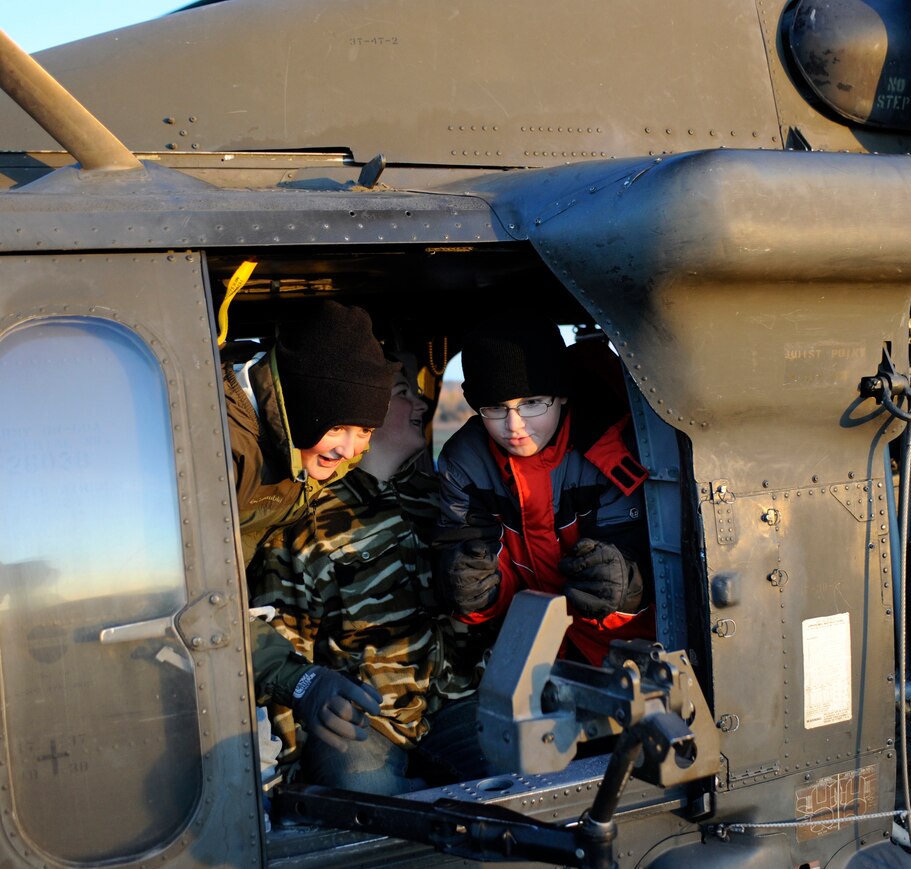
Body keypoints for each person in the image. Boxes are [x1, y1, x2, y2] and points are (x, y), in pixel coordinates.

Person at [248, 355, 485, 793]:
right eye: (403, 393)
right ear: (368, 410)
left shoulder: (436, 499)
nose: (422, 403)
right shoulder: (308, 529)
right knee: (371, 803)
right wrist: (294, 760)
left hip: (451, 702)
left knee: (521, 772)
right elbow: (284, 655)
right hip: (365, 723)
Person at [225, 299, 394, 756]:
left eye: (366, 431)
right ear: (296, 404)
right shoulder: (229, 452)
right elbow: (196, 598)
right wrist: (299, 681)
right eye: (338, 426)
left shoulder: (305, 451)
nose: (349, 449)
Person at [436, 319, 655, 667]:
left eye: (532, 402)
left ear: (562, 394)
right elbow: (474, 564)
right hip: (529, 652)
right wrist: (477, 591)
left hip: (625, 653)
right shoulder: (465, 464)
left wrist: (627, 584)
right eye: (495, 408)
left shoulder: (612, 453)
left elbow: (655, 565)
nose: (515, 426)